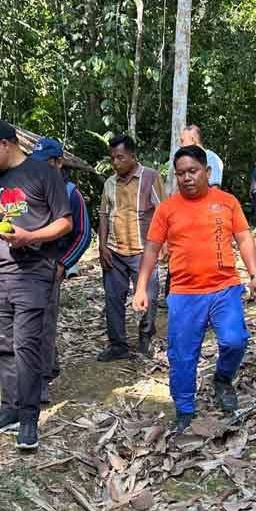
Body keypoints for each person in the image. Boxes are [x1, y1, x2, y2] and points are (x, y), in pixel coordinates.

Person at [132, 145, 256, 433]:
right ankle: (184, 408)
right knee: (182, 355)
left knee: (235, 340)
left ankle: (222, 378)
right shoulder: (167, 209)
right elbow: (152, 250)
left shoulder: (227, 202)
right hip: (184, 293)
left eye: (192, 171)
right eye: (180, 174)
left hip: (224, 288)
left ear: (207, 171)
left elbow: (243, 238)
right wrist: (141, 288)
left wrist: (255, 274)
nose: (187, 178)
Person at [0, 118, 73, 450]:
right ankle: (9, 409)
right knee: (4, 345)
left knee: (26, 345)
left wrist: (31, 236)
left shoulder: (44, 174)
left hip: (34, 271)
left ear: (4, 143)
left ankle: (29, 417)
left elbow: (64, 222)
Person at [29, 136, 92, 403]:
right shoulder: (29, 188)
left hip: (50, 267)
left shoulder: (70, 193)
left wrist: (64, 264)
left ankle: (41, 381)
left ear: (58, 162)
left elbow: (83, 233)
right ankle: (48, 365)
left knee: (44, 324)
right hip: (24, 266)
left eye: (47, 163)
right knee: (29, 324)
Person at [98, 135, 166, 361]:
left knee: (149, 296)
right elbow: (104, 215)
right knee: (113, 298)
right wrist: (102, 245)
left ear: (133, 156)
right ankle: (117, 344)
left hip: (143, 250)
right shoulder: (109, 183)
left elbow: (162, 212)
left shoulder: (150, 177)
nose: (116, 163)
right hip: (114, 251)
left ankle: (146, 337)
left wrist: (163, 244)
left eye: (120, 157)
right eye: (112, 158)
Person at [177, 124, 224, 188]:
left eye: (182, 141)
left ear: (193, 140)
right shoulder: (185, 160)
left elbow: (215, 189)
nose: (180, 145)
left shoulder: (211, 158)